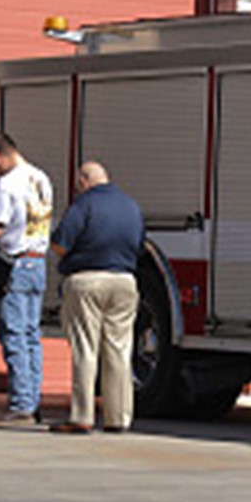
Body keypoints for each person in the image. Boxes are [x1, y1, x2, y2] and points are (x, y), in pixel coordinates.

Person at [48, 161, 146, 434]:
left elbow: (59, 244)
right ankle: (119, 418)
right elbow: (140, 245)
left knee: (85, 349)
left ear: (83, 180)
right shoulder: (131, 206)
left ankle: (82, 416)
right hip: (125, 281)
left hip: (86, 281)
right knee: (119, 350)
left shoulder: (84, 204)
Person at [0, 131, 54, 422]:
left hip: (14, 262)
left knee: (12, 334)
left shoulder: (7, 183)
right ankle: (33, 399)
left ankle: (21, 402)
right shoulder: (41, 178)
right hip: (38, 261)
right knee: (31, 334)